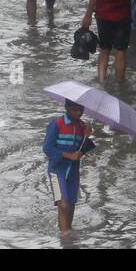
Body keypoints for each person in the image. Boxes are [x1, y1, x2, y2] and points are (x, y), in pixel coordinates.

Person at [43, 100, 95, 234]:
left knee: (71, 205)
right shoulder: (57, 124)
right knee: (63, 205)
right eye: (74, 110)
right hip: (56, 170)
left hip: (73, 172)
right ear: (67, 109)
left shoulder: (82, 126)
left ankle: (66, 232)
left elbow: (85, 147)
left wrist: (86, 137)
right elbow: (47, 148)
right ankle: (65, 236)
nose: (78, 113)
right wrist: (68, 155)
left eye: (81, 110)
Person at [80, 0, 131, 86]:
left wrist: (88, 15)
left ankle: (101, 82)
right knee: (120, 51)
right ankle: (119, 86)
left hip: (103, 15)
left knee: (104, 50)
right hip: (122, 15)